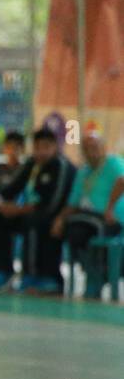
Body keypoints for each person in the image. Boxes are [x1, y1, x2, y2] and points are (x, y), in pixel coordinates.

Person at [0, 127, 75, 293]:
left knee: (34, 221)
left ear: (55, 147)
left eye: (45, 147)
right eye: (37, 148)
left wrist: (19, 210)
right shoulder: (32, 163)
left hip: (57, 217)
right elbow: (12, 188)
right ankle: (4, 271)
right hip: (30, 212)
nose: (40, 152)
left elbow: (52, 204)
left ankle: (38, 276)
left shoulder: (61, 166)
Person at [52, 128, 124, 298]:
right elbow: (73, 202)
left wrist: (110, 208)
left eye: (95, 146)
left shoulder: (113, 164)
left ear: (103, 147)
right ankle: (92, 273)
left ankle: (98, 276)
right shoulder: (83, 172)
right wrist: (60, 219)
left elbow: (122, 181)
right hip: (85, 217)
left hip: (110, 220)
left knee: (87, 231)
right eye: (87, 148)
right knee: (70, 231)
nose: (92, 151)